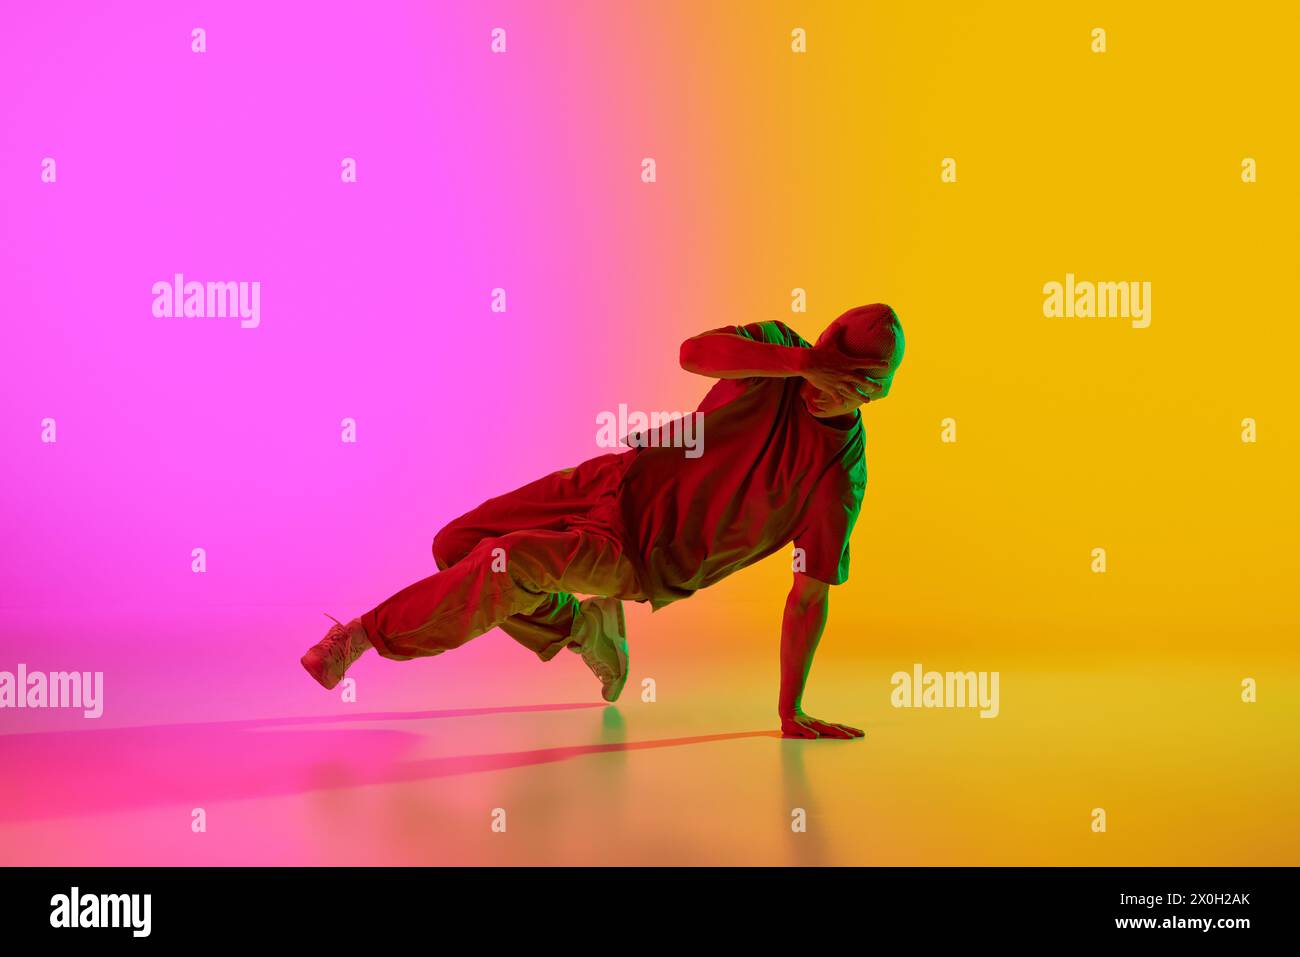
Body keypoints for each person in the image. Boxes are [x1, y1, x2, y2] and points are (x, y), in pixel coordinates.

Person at [302, 304, 905, 739]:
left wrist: (790, 708)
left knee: (506, 563)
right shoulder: (777, 353)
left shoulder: (839, 478)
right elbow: (693, 353)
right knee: (456, 544)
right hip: (619, 477)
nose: (835, 388)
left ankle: (358, 636)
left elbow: (808, 597)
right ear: (820, 345)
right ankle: (588, 633)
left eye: (860, 385)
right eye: (834, 366)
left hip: (644, 554)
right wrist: (803, 362)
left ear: (878, 394)